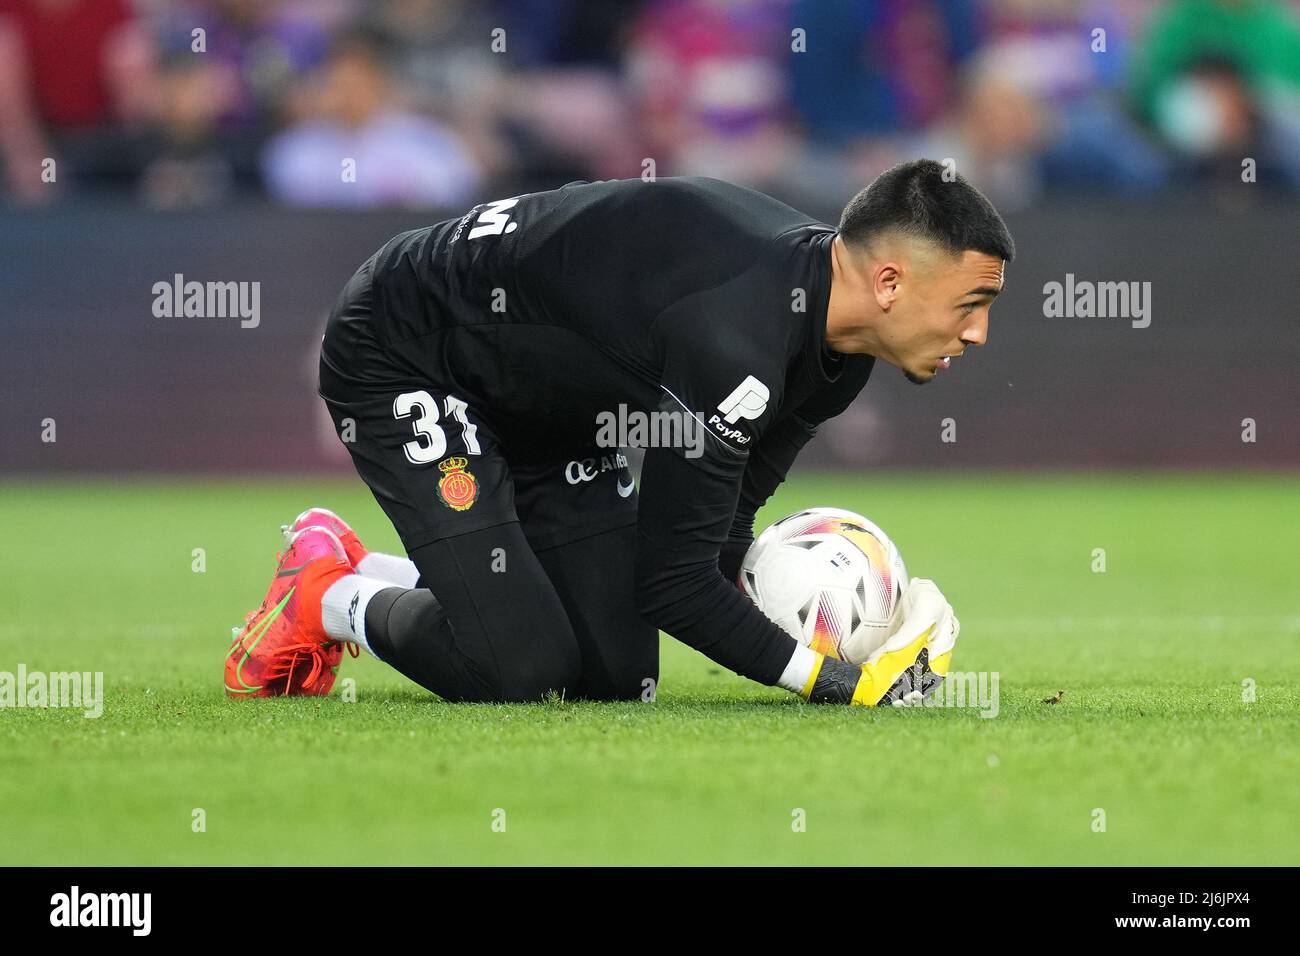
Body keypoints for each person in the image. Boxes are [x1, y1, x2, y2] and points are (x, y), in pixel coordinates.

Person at [225, 160, 1012, 707]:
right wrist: (827, 678)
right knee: (520, 668)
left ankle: (433, 582)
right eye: (969, 304)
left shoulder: (835, 354)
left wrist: (840, 616)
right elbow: (673, 584)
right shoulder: (734, 338)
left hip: (555, 400)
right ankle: (327, 591)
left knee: (616, 674)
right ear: (888, 282)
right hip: (413, 347)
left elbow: (720, 529)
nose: (976, 335)